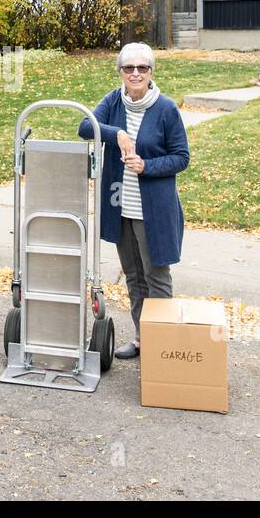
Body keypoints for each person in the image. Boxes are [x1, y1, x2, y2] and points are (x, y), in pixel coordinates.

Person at [78, 43, 190, 361]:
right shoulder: (114, 101)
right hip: (121, 206)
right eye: (129, 68)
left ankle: (164, 346)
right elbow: (85, 126)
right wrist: (118, 135)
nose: (136, 74)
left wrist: (146, 166)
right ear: (121, 73)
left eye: (142, 68)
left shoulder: (166, 109)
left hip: (153, 210)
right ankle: (143, 339)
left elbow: (181, 157)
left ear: (152, 72)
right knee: (133, 275)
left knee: (156, 277)